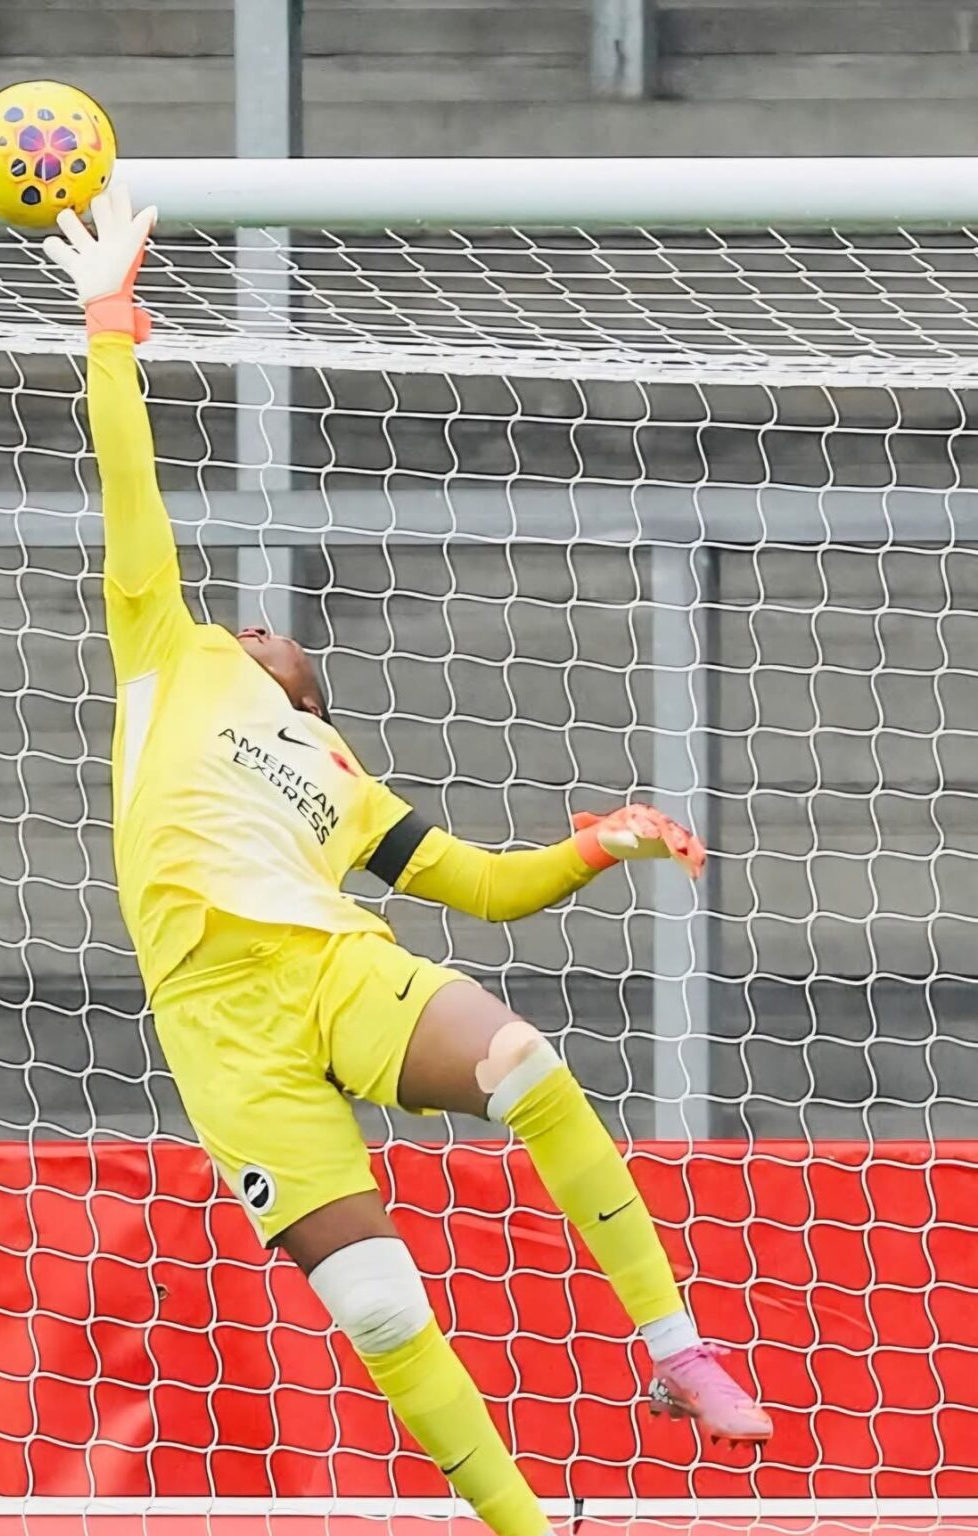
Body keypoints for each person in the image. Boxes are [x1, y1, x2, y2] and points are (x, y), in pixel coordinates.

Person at [44, 184, 772, 1536]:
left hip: (331, 971)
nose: (259, 622)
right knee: (375, 1303)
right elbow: (128, 489)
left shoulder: (338, 781)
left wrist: (591, 847)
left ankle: (674, 1348)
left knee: (526, 1069)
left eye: (279, 634)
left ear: (310, 693)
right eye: (249, 619)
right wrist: (108, 321)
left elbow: (480, 887)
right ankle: (523, 1528)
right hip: (224, 1035)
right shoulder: (168, 652)